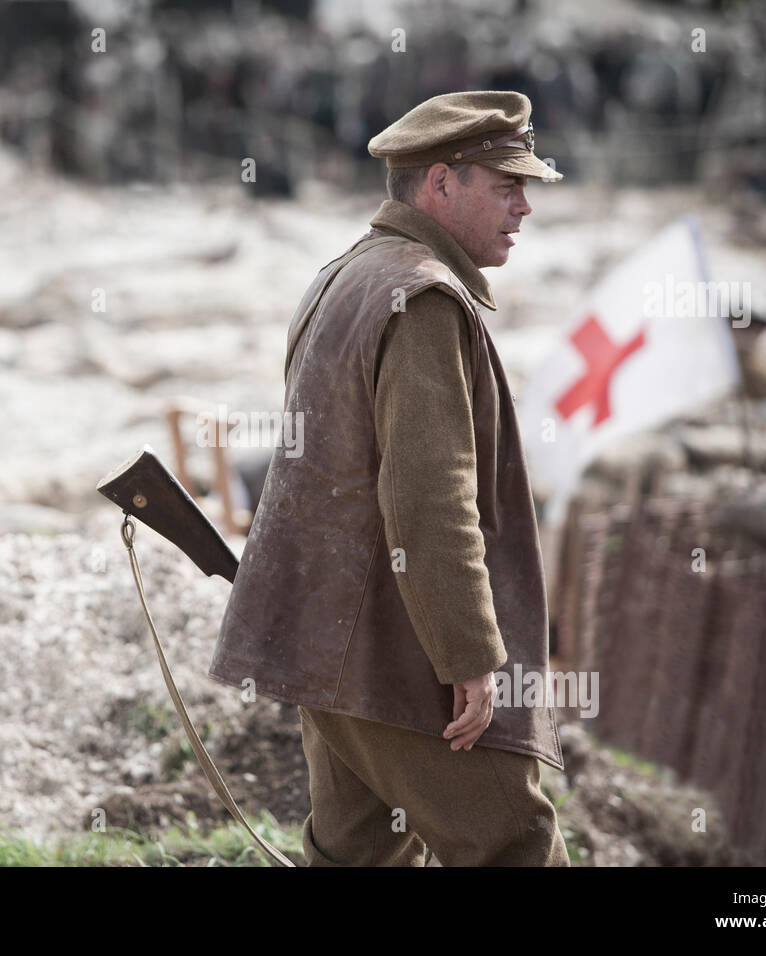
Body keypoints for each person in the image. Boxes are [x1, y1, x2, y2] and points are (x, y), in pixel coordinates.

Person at [209, 91, 570, 866]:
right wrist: (469, 655)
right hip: (393, 660)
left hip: (329, 652)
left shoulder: (346, 275)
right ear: (440, 184)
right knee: (515, 847)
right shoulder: (426, 297)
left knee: (358, 855)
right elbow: (430, 500)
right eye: (506, 183)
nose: (524, 205)